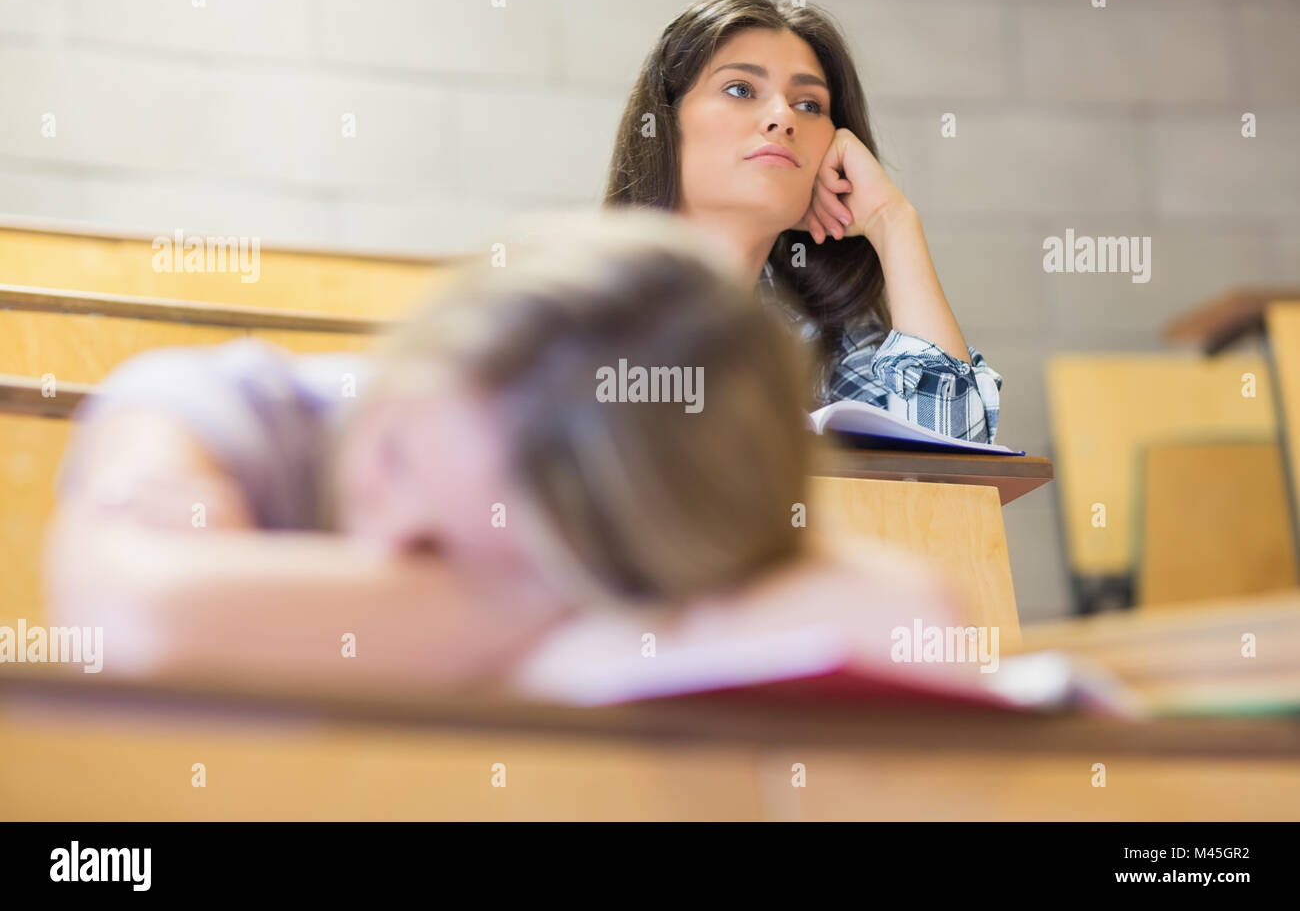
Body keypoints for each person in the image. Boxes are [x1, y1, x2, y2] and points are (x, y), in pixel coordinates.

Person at [44, 209, 963, 696]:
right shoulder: (214, 407)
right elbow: (142, 621)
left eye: (444, 547)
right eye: (396, 456)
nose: (387, 536)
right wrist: (587, 599)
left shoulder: (642, 509)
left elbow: (916, 616)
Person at [605, 0, 1004, 444]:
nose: (783, 117)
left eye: (809, 104)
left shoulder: (828, 333)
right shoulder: (583, 300)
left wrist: (892, 222)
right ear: (665, 123)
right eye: (741, 89)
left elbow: (956, 468)